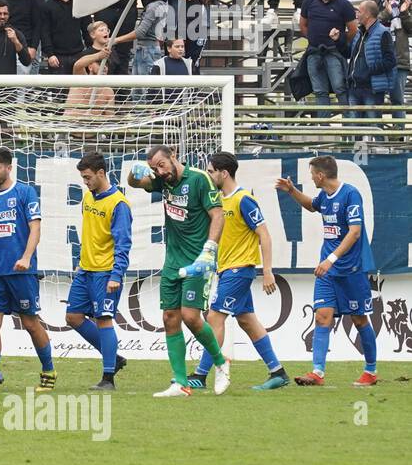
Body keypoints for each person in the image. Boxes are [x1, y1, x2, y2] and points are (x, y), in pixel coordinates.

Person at [126, 145, 228, 398]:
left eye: (161, 164)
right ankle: (180, 383)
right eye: (154, 168)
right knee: (170, 318)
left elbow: (218, 215)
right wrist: (132, 173)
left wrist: (210, 250)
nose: (159, 171)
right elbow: (136, 183)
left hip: (198, 259)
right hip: (172, 260)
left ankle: (221, 362)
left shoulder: (199, 179)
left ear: (173, 156)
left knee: (191, 317)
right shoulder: (164, 182)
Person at [185, 152, 287, 392]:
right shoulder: (220, 201)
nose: (209, 176)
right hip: (227, 269)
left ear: (224, 173)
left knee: (214, 318)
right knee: (247, 321)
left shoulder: (244, 199)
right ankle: (277, 372)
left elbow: (265, 234)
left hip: (240, 270)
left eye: (211, 171)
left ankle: (200, 375)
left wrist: (268, 271)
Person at [276, 156, 380, 386]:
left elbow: (354, 232)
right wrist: (292, 191)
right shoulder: (324, 195)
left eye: (312, 173)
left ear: (321, 175)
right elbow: (313, 205)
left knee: (360, 319)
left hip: (351, 269)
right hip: (328, 271)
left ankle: (371, 371)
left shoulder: (351, 194)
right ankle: (317, 373)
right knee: (322, 316)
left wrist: (331, 259)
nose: (311, 177)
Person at [0, 147, 55, 392]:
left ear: (9, 168)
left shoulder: (25, 192)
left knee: (30, 323)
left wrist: (27, 257)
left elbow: (35, 228)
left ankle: (48, 370)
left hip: (21, 271)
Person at [64, 153, 132, 390]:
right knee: (72, 317)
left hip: (106, 272)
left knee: (103, 320)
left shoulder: (118, 204)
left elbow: (123, 243)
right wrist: (82, 261)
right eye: (83, 178)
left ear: (101, 173)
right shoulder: (88, 197)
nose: (85, 182)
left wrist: (116, 274)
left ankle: (108, 378)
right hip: (86, 270)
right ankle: (114, 358)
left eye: (88, 177)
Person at [297, 0, 357, 114]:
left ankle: (349, 127)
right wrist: (312, 39)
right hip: (313, 52)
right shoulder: (309, 2)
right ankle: (324, 129)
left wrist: (340, 42)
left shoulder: (344, 4)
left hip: (334, 52)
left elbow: (353, 30)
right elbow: (302, 25)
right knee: (319, 91)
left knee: (340, 88)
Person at [347, 0, 401, 117]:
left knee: (374, 127)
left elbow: (390, 61)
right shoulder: (359, 33)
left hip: (372, 88)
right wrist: (336, 41)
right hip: (355, 87)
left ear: (367, 14)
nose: (356, 14)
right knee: (353, 128)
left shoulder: (383, 33)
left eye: (359, 11)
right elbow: (348, 53)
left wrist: (367, 71)